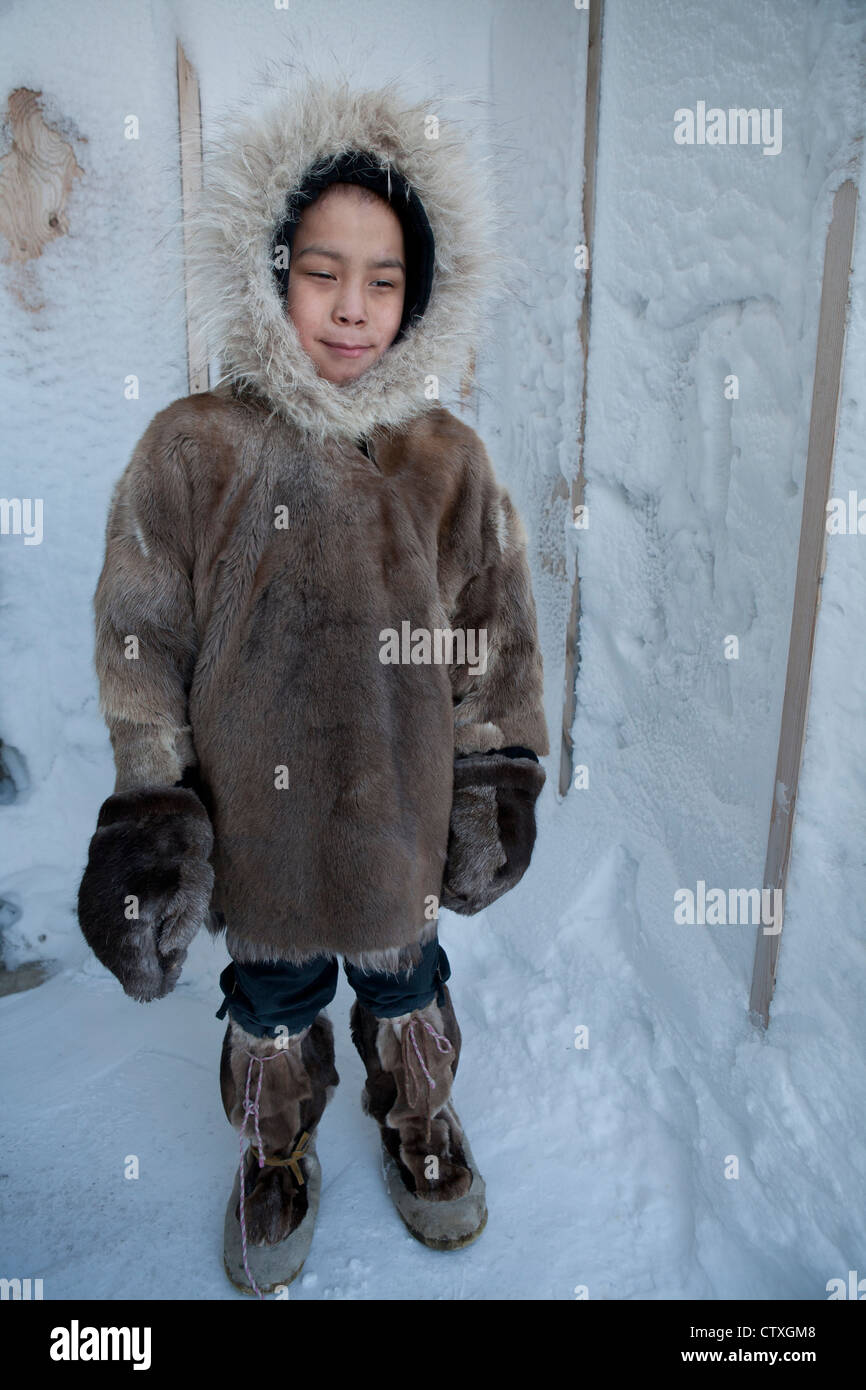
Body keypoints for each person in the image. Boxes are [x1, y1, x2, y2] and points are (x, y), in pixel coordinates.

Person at [76, 75, 550, 1297]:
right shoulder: (193, 448)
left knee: (409, 979)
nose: (351, 309)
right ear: (269, 268)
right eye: (322, 270)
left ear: (422, 294)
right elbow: (140, 638)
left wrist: (495, 767)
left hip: (396, 820)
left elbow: (492, 627)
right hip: (264, 836)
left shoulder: (445, 462)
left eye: (384, 280)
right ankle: (276, 1140)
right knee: (270, 994)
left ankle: (416, 1117)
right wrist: (152, 801)